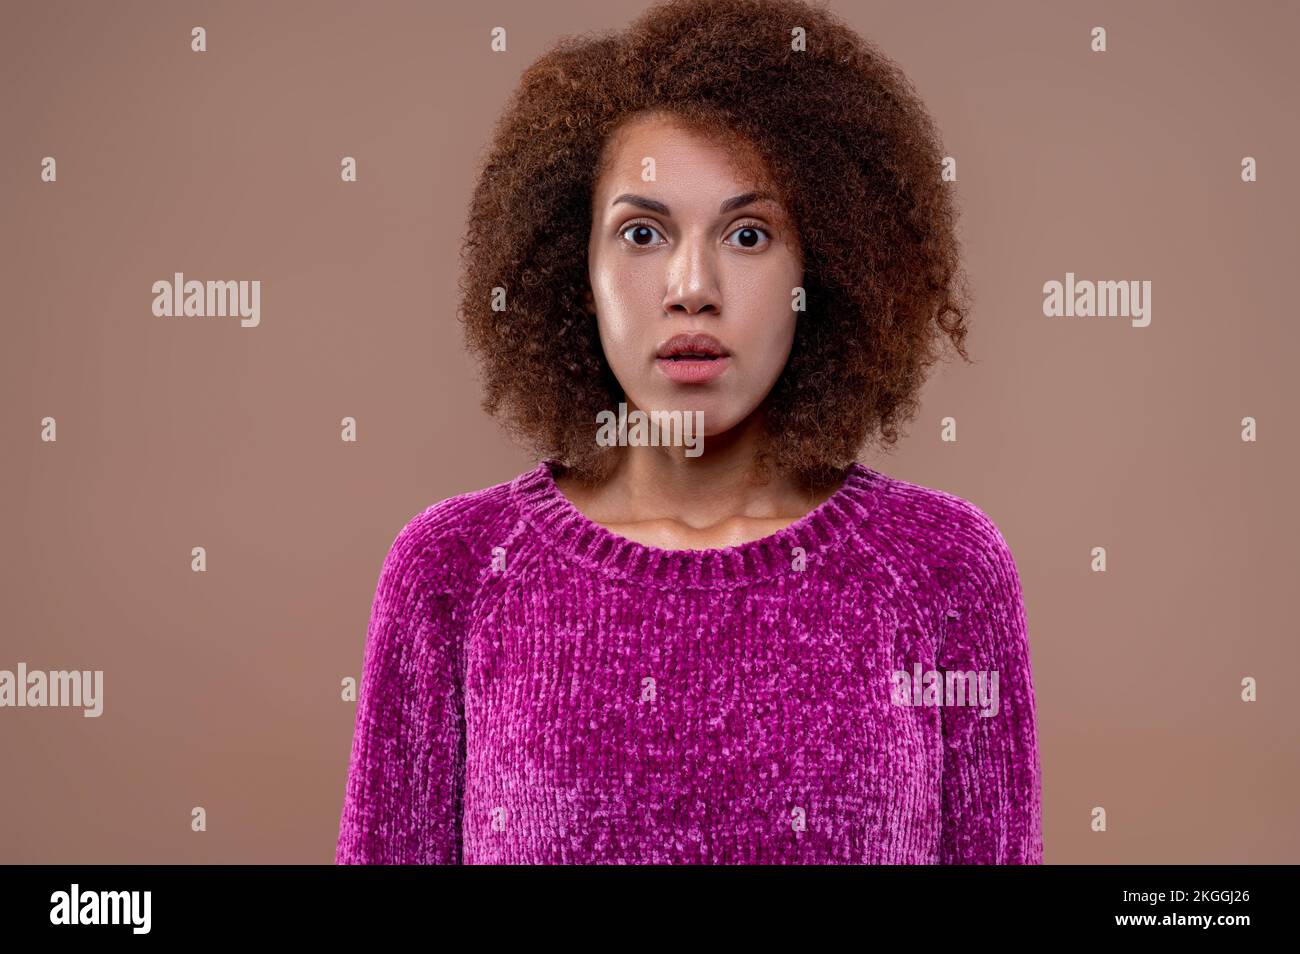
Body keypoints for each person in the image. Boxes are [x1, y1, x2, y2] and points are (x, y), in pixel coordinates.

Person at [335, 0, 1043, 864]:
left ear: (821, 269)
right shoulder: (452, 572)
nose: (691, 286)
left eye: (748, 234)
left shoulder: (943, 570)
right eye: (642, 232)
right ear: (574, 269)